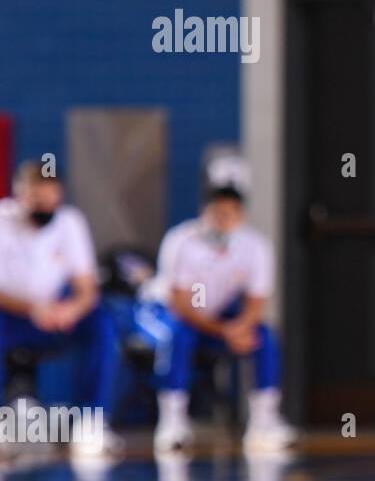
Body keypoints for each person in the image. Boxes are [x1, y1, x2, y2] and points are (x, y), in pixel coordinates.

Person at [135, 185, 296, 455]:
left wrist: (240, 327)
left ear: (241, 215)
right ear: (204, 213)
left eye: (230, 213)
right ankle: (172, 422)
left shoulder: (255, 246)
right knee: (178, 336)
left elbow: (257, 300)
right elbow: (181, 303)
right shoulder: (182, 240)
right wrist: (224, 331)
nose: (223, 220)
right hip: (164, 311)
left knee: (264, 336)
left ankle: (263, 422)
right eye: (217, 213)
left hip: (216, 320)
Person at [0, 161, 122, 457]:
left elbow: (86, 288)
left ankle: (91, 421)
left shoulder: (70, 222)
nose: (45, 205)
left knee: (101, 323)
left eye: (51, 197)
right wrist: (33, 308)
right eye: (37, 198)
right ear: (20, 194)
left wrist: (71, 310)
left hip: (57, 317)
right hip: (11, 316)